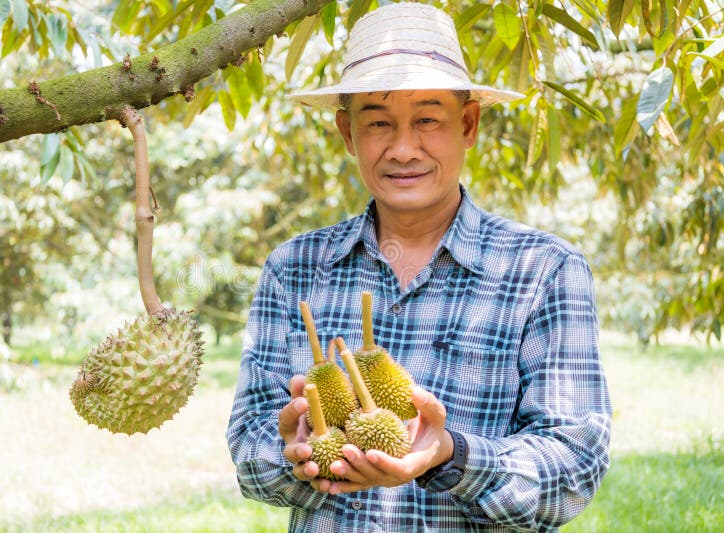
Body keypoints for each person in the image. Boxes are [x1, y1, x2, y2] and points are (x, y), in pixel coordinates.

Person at [226, 3, 611, 531]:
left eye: (428, 119)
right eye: (379, 122)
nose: (403, 148)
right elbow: (249, 453)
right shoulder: (293, 269)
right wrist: (297, 455)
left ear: (468, 124)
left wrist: (448, 455)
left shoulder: (544, 271)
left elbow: (575, 466)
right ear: (347, 134)